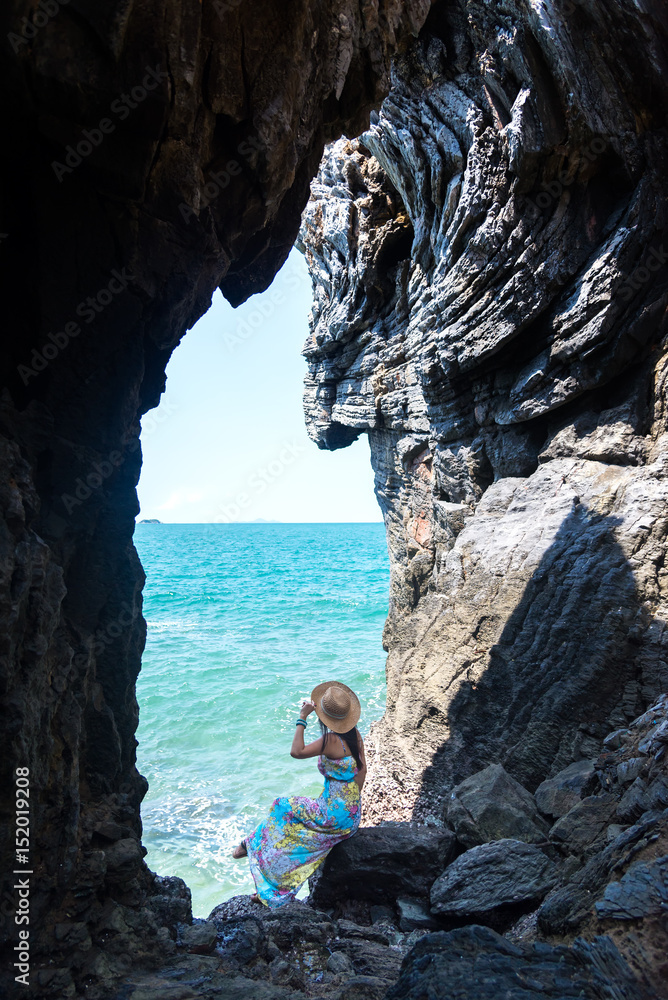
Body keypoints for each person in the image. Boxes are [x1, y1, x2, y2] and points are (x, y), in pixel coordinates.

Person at [232, 680, 367, 907]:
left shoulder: (330, 739)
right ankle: (254, 852)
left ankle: (252, 848)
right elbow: (361, 772)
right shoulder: (355, 736)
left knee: (281, 806)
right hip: (351, 816)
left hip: (332, 815)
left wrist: (302, 717)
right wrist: (348, 808)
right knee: (295, 831)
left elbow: (296, 751)